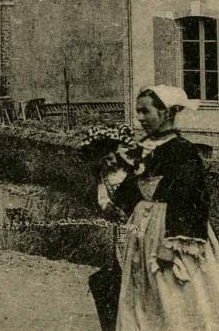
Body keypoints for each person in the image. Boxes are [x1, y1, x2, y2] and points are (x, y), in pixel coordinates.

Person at [106, 86, 219, 331]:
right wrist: (115, 199)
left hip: (170, 232)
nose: (140, 117)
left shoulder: (183, 150)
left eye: (146, 111)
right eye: (138, 111)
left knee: (175, 295)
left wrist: (171, 246)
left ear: (166, 113)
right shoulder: (141, 148)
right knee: (144, 296)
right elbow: (130, 189)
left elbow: (191, 199)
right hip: (142, 232)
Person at [78, 124, 137, 331]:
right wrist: (110, 209)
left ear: (117, 156)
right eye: (104, 161)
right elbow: (102, 200)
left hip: (138, 221)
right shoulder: (104, 179)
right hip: (121, 228)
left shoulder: (132, 171)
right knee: (121, 265)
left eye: (111, 159)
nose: (109, 163)